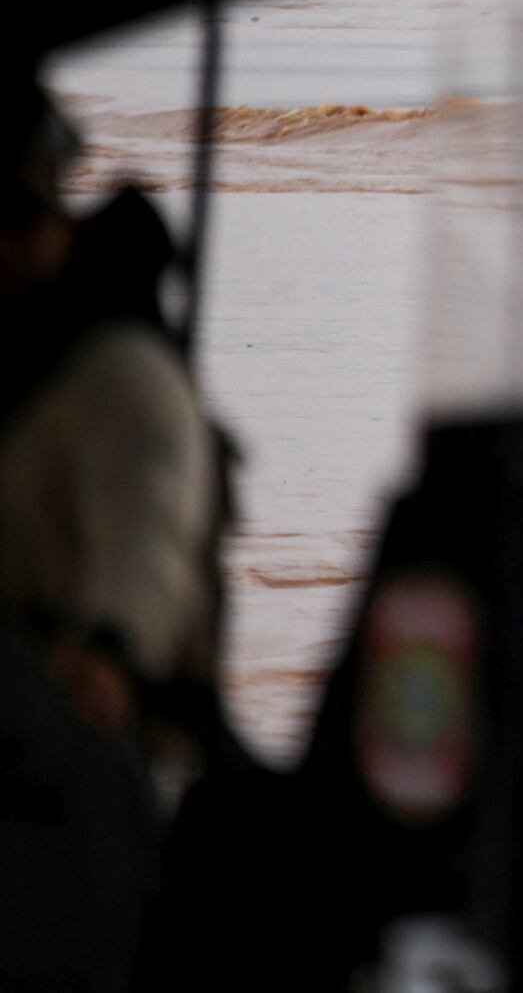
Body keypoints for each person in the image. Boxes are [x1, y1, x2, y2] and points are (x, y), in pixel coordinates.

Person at [0, 72, 232, 990]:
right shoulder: (23, 368)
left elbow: (150, 531)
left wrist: (111, 646)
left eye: (28, 214)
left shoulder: (117, 373)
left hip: (81, 799)